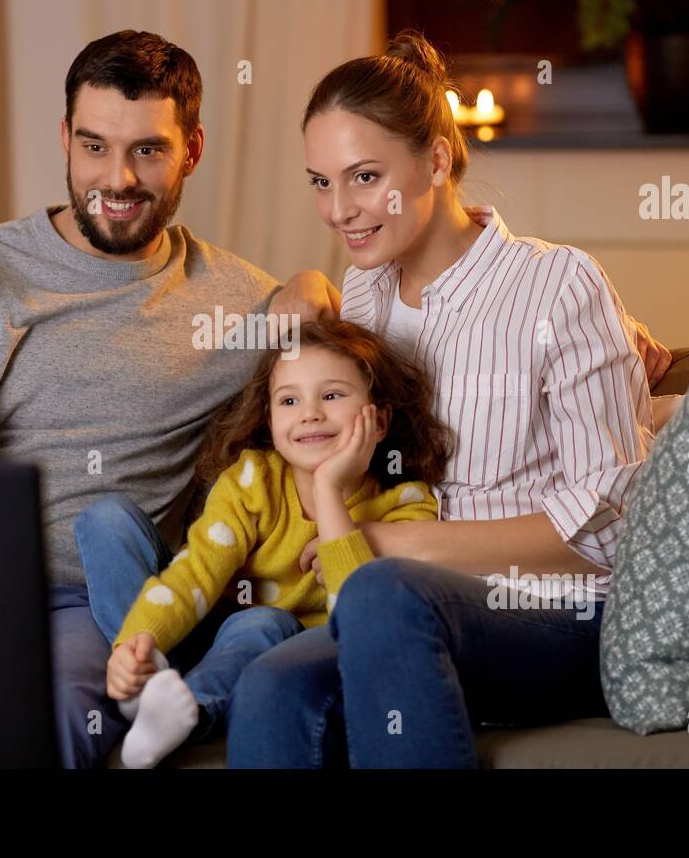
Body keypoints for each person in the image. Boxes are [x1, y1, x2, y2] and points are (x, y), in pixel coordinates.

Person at [0, 30, 336, 768]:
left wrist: (313, 291)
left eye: (148, 151)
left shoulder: (239, 302)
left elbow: (326, 391)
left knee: (53, 717)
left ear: (191, 150)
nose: (118, 178)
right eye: (95, 146)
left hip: (109, 597)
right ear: (65, 139)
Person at [227, 31, 665, 768]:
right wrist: (304, 285)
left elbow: (613, 525)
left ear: (435, 159)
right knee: (269, 689)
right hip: (395, 614)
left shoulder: (558, 284)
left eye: (364, 177)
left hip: (559, 617)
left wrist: (395, 548)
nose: (338, 209)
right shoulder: (364, 292)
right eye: (320, 181)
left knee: (384, 595)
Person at [73, 319, 450, 767]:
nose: (310, 413)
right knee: (105, 518)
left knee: (261, 621)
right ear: (269, 420)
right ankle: (144, 679)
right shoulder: (255, 478)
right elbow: (196, 572)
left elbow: (360, 615)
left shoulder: (405, 503)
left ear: (380, 419)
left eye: (331, 396)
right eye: (289, 400)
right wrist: (134, 642)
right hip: (201, 626)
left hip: (271, 646)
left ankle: (189, 709)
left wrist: (330, 490)